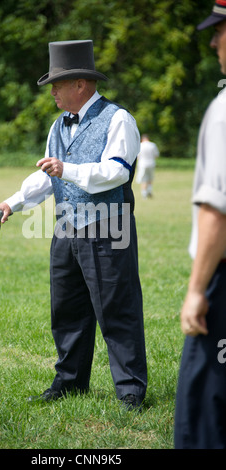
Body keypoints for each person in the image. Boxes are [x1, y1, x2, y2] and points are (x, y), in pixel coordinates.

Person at [0, 40, 147, 410]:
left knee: (116, 310)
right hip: (65, 229)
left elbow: (116, 172)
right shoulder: (58, 127)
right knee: (66, 310)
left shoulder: (119, 119)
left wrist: (69, 169)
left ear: (80, 84)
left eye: (57, 84)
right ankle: (70, 382)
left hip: (110, 229)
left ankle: (130, 391)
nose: (53, 93)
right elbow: (47, 178)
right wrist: (12, 203)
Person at [174, 1, 226, 449]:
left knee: (204, 410)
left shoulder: (225, 110)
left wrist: (196, 291)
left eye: (220, 30)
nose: (213, 41)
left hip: (223, 288)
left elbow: (216, 210)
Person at [136, 134, 159, 198]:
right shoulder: (152, 145)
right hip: (151, 163)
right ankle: (149, 191)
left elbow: (137, 156)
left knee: (143, 179)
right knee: (150, 178)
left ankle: (144, 193)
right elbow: (156, 155)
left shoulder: (140, 145)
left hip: (142, 164)